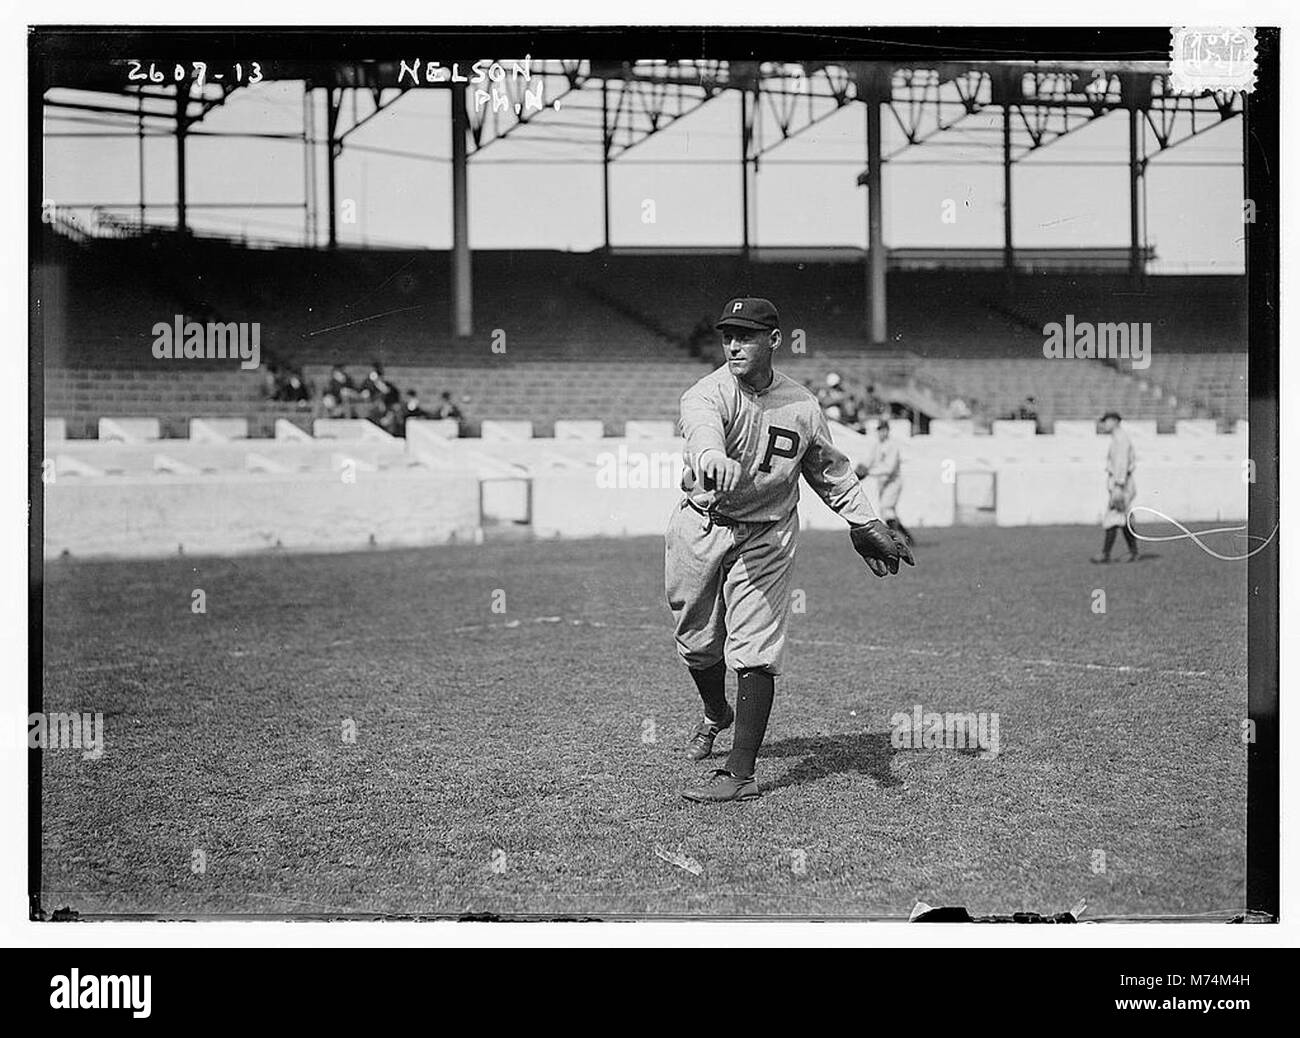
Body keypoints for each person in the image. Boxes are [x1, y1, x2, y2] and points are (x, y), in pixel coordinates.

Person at [666, 296, 914, 804]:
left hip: (767, 533)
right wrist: (713, 457)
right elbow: (702, 435)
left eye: (746, 336)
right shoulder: (706, 394)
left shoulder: (802, 405)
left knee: (755, 646)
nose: (734, 346)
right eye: (728, 336)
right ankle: (716, 712)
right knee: (696, 642)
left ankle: (740, 773)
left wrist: (864, 519)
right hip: (702, 525)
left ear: (774, 340)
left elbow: (829, 470)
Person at [1092, 410, 1140, 563]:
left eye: (1106, 421)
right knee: (1122, 519)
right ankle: (1133, 552)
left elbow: (1121, 464)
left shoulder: (1121, 439)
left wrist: (1119, 485)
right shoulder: (1119, 438)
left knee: (1113, 518)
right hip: (1122, 483)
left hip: (1121, 484)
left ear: (1114, 421)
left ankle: (1106, 553)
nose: (1105, 424)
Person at [856, 420, 913, 547]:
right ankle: (907, 538)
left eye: (883, 430)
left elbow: (889, 468)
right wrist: (861, 468)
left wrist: (868, 472)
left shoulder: (892, 445)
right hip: (883, 482)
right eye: (879, 430)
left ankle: (897, 540)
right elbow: (869, 460)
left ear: (887, 430)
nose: (881, 433)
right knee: (887, 512)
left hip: (893, 481)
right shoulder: (877, 445)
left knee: (886, 509)